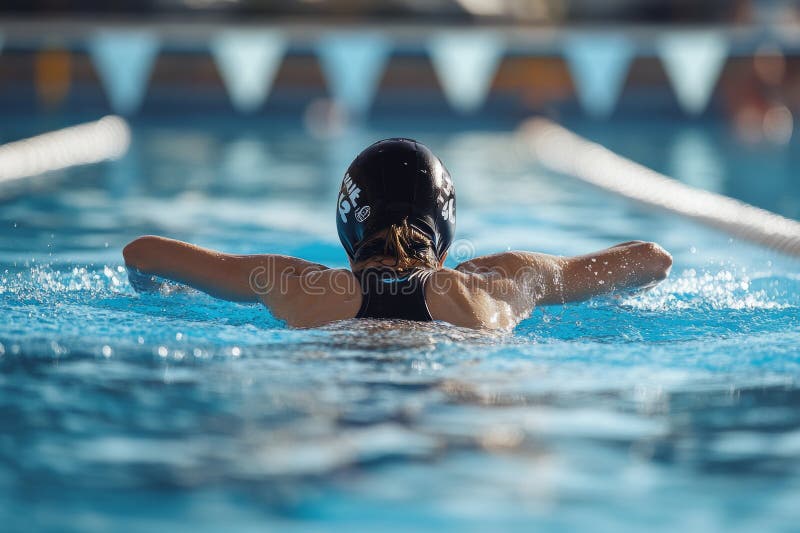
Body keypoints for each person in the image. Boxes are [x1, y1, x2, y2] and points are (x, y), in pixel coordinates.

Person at [123, 138, 672, 330]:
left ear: (347, 223)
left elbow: (143, 252)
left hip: (339, 378)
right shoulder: (491, 283)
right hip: (451, 387)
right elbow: (651, 260)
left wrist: (160, 294)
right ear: (447, 225)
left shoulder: (297, 282)